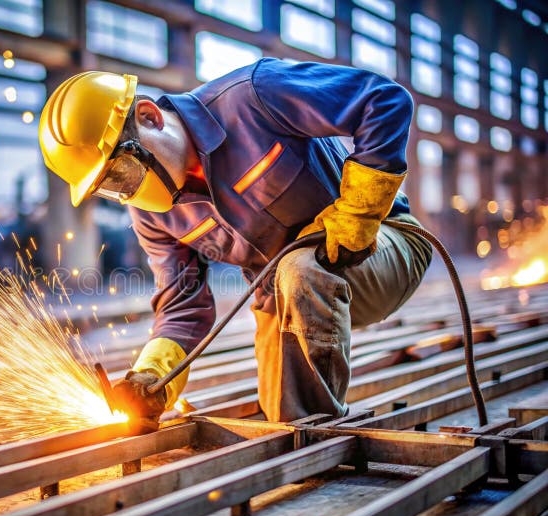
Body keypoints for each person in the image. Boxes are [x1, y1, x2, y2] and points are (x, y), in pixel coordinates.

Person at [38, 59, 432, 426]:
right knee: (284, 417)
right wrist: (152, 377)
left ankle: (324, 441)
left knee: (298, 272)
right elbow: (183, 307)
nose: (128, 192)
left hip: (386, 247)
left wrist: (358, 215)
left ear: (149, 117)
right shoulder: (152, 214)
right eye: (112, 187)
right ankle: (304, 437)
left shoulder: (255, 96)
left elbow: (384, 100)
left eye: (122, 171)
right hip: (287, 299)